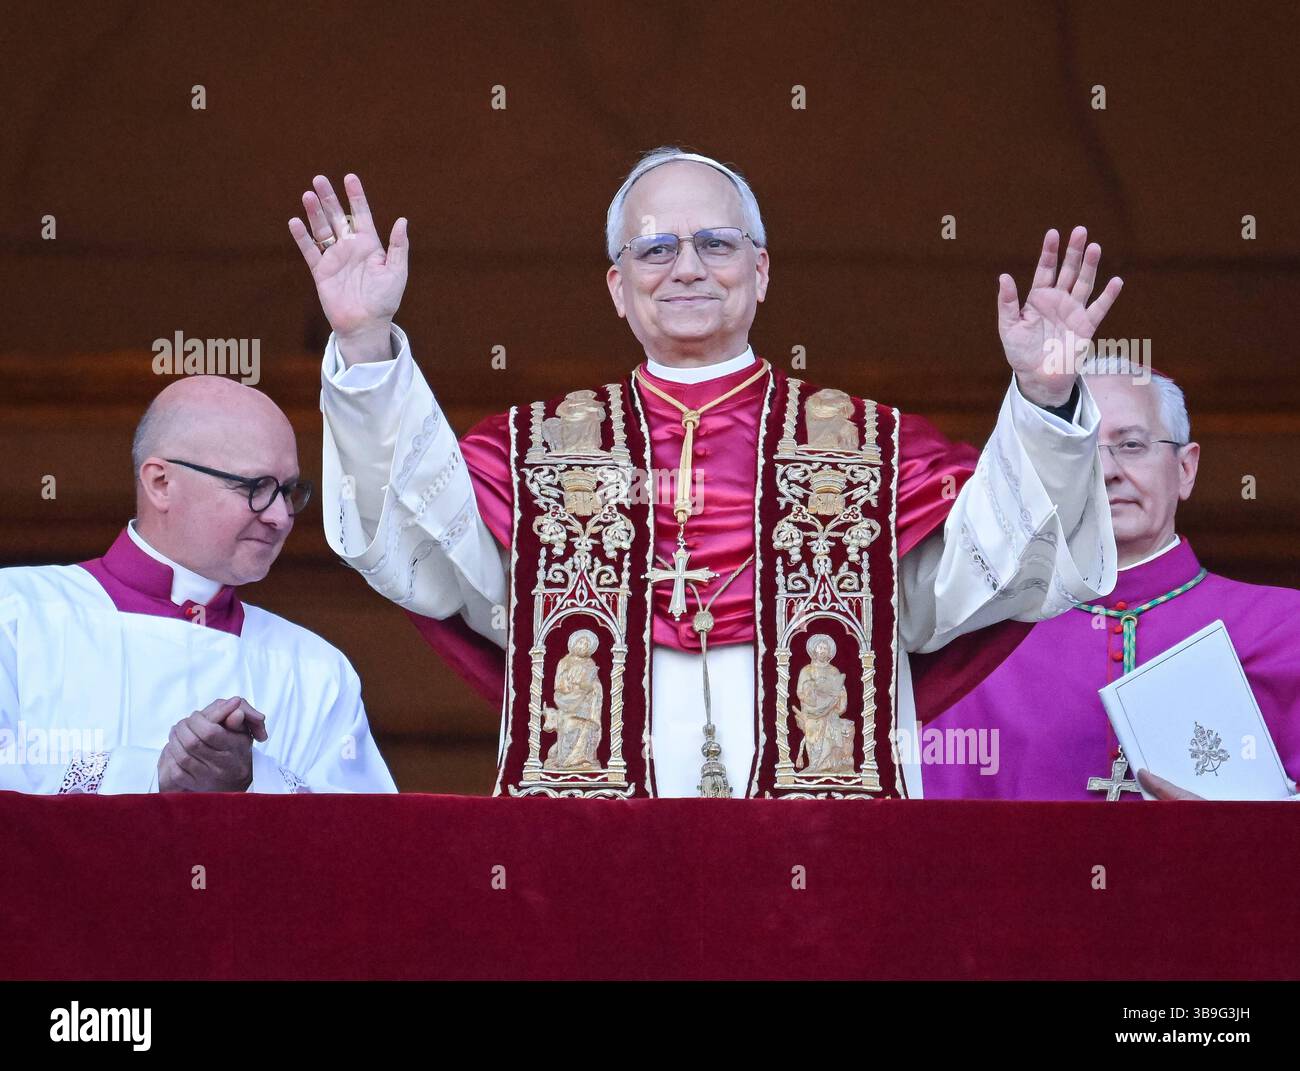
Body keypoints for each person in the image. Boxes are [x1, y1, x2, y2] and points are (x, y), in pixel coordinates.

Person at [289, 147, 1123, 799]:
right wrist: (366, 348)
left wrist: (1045, 399)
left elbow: (997, 570)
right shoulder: (536, 450)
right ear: (618, 287)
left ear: (760, 271)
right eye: (655, 248)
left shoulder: (869, 446)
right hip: (592, 849)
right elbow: (420, 551)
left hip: (821, 847)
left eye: (715, 243)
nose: (687, 267)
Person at [919, 356, 1300, 800]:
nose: (1108, 471)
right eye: (1082, 451)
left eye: (1133, 445)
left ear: (1185, 468)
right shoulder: (979, 642)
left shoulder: (1284, 625)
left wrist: (1240, 835)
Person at [0, 376, 396, 794]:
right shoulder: (17, 616)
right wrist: (153, 776)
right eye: (256, 487)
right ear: (161, 484)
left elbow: (359, 842)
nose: (280, 516)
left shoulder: (316, 670)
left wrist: (251, 779)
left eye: (288, 491)